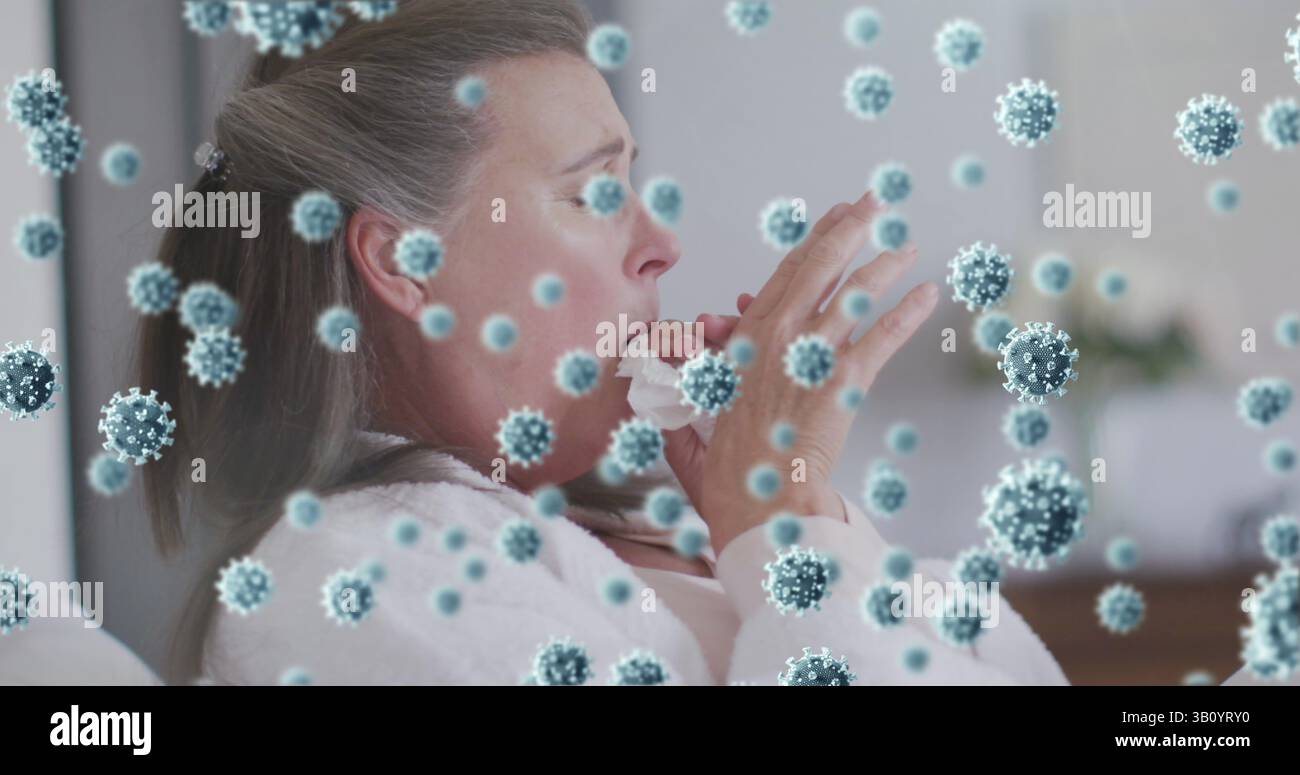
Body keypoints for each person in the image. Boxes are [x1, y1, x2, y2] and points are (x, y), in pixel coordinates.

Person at [140, 0, 1067, 685]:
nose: (662, 245)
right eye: (593, 195)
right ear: (404, 258)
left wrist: (798, 509)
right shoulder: (359, 581)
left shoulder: (650, 521)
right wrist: (779, 532)